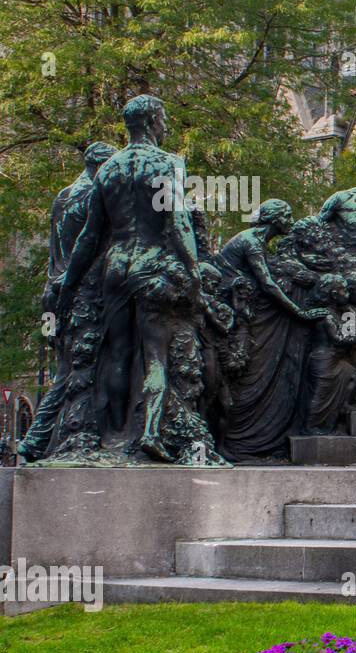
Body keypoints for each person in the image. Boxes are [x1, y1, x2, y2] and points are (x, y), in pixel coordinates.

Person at [46, 95, 217, 464]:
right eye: (164, 117)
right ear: (152, 120)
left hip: (117, 265)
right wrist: (193, 270)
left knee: (119, 353)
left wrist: (70, 286)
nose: (167, 125)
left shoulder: (109, 170)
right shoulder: (169, 163)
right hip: (152, 264)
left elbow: (90, 237)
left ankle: (113, 437)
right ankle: (150, 434)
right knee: (157, 355)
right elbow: (178, 221)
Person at [18, 141, 117, 461]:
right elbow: (89, 246)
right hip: (78, 291)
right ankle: (36, 438)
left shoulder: (64, 195)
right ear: (101, 166)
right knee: (72, 371)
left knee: (71, 366)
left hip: (54, 292)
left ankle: (53, 439)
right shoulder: (92, 197)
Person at [216, 200, 330, 460]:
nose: (290, 220)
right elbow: (267, 283)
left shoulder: (261, 243)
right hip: (233, 313)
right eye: (287, 216)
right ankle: (236, 442)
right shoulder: (252, 242)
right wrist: (299, 312)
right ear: (274, 218)